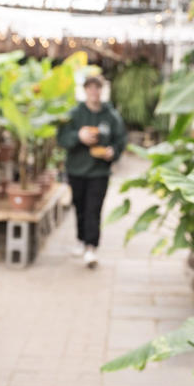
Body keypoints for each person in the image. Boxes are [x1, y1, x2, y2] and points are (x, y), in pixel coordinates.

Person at [57, 75, 126, 268]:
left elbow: (120, 140)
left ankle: (91, 247)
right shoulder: (74, 114)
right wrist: (78, 136)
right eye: (91, 88)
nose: (94, 92)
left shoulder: (110, 115)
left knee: (93, 209)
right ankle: (81, 239)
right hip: (77, 169)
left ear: (101, 90)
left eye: (98, 88)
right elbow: (62, 138)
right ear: (86, 90)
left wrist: (113, 151)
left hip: (99, 172)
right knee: (79, 207)